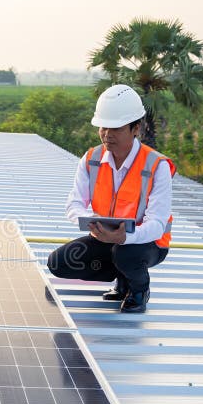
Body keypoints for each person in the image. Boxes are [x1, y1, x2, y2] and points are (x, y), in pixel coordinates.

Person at [47, 84, 175, 313]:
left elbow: (157, 224)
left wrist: (125, 237)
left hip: (148, 244)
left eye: (116, 128)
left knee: (125, 253)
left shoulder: (157, 166)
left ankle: (139, 291)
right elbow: (74, 204)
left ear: (136, 128)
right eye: (103, 127)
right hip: (106, 237)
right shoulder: (91, 159)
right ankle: (122, 279)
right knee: (58, 262)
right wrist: (92, 223)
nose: (107, 134)